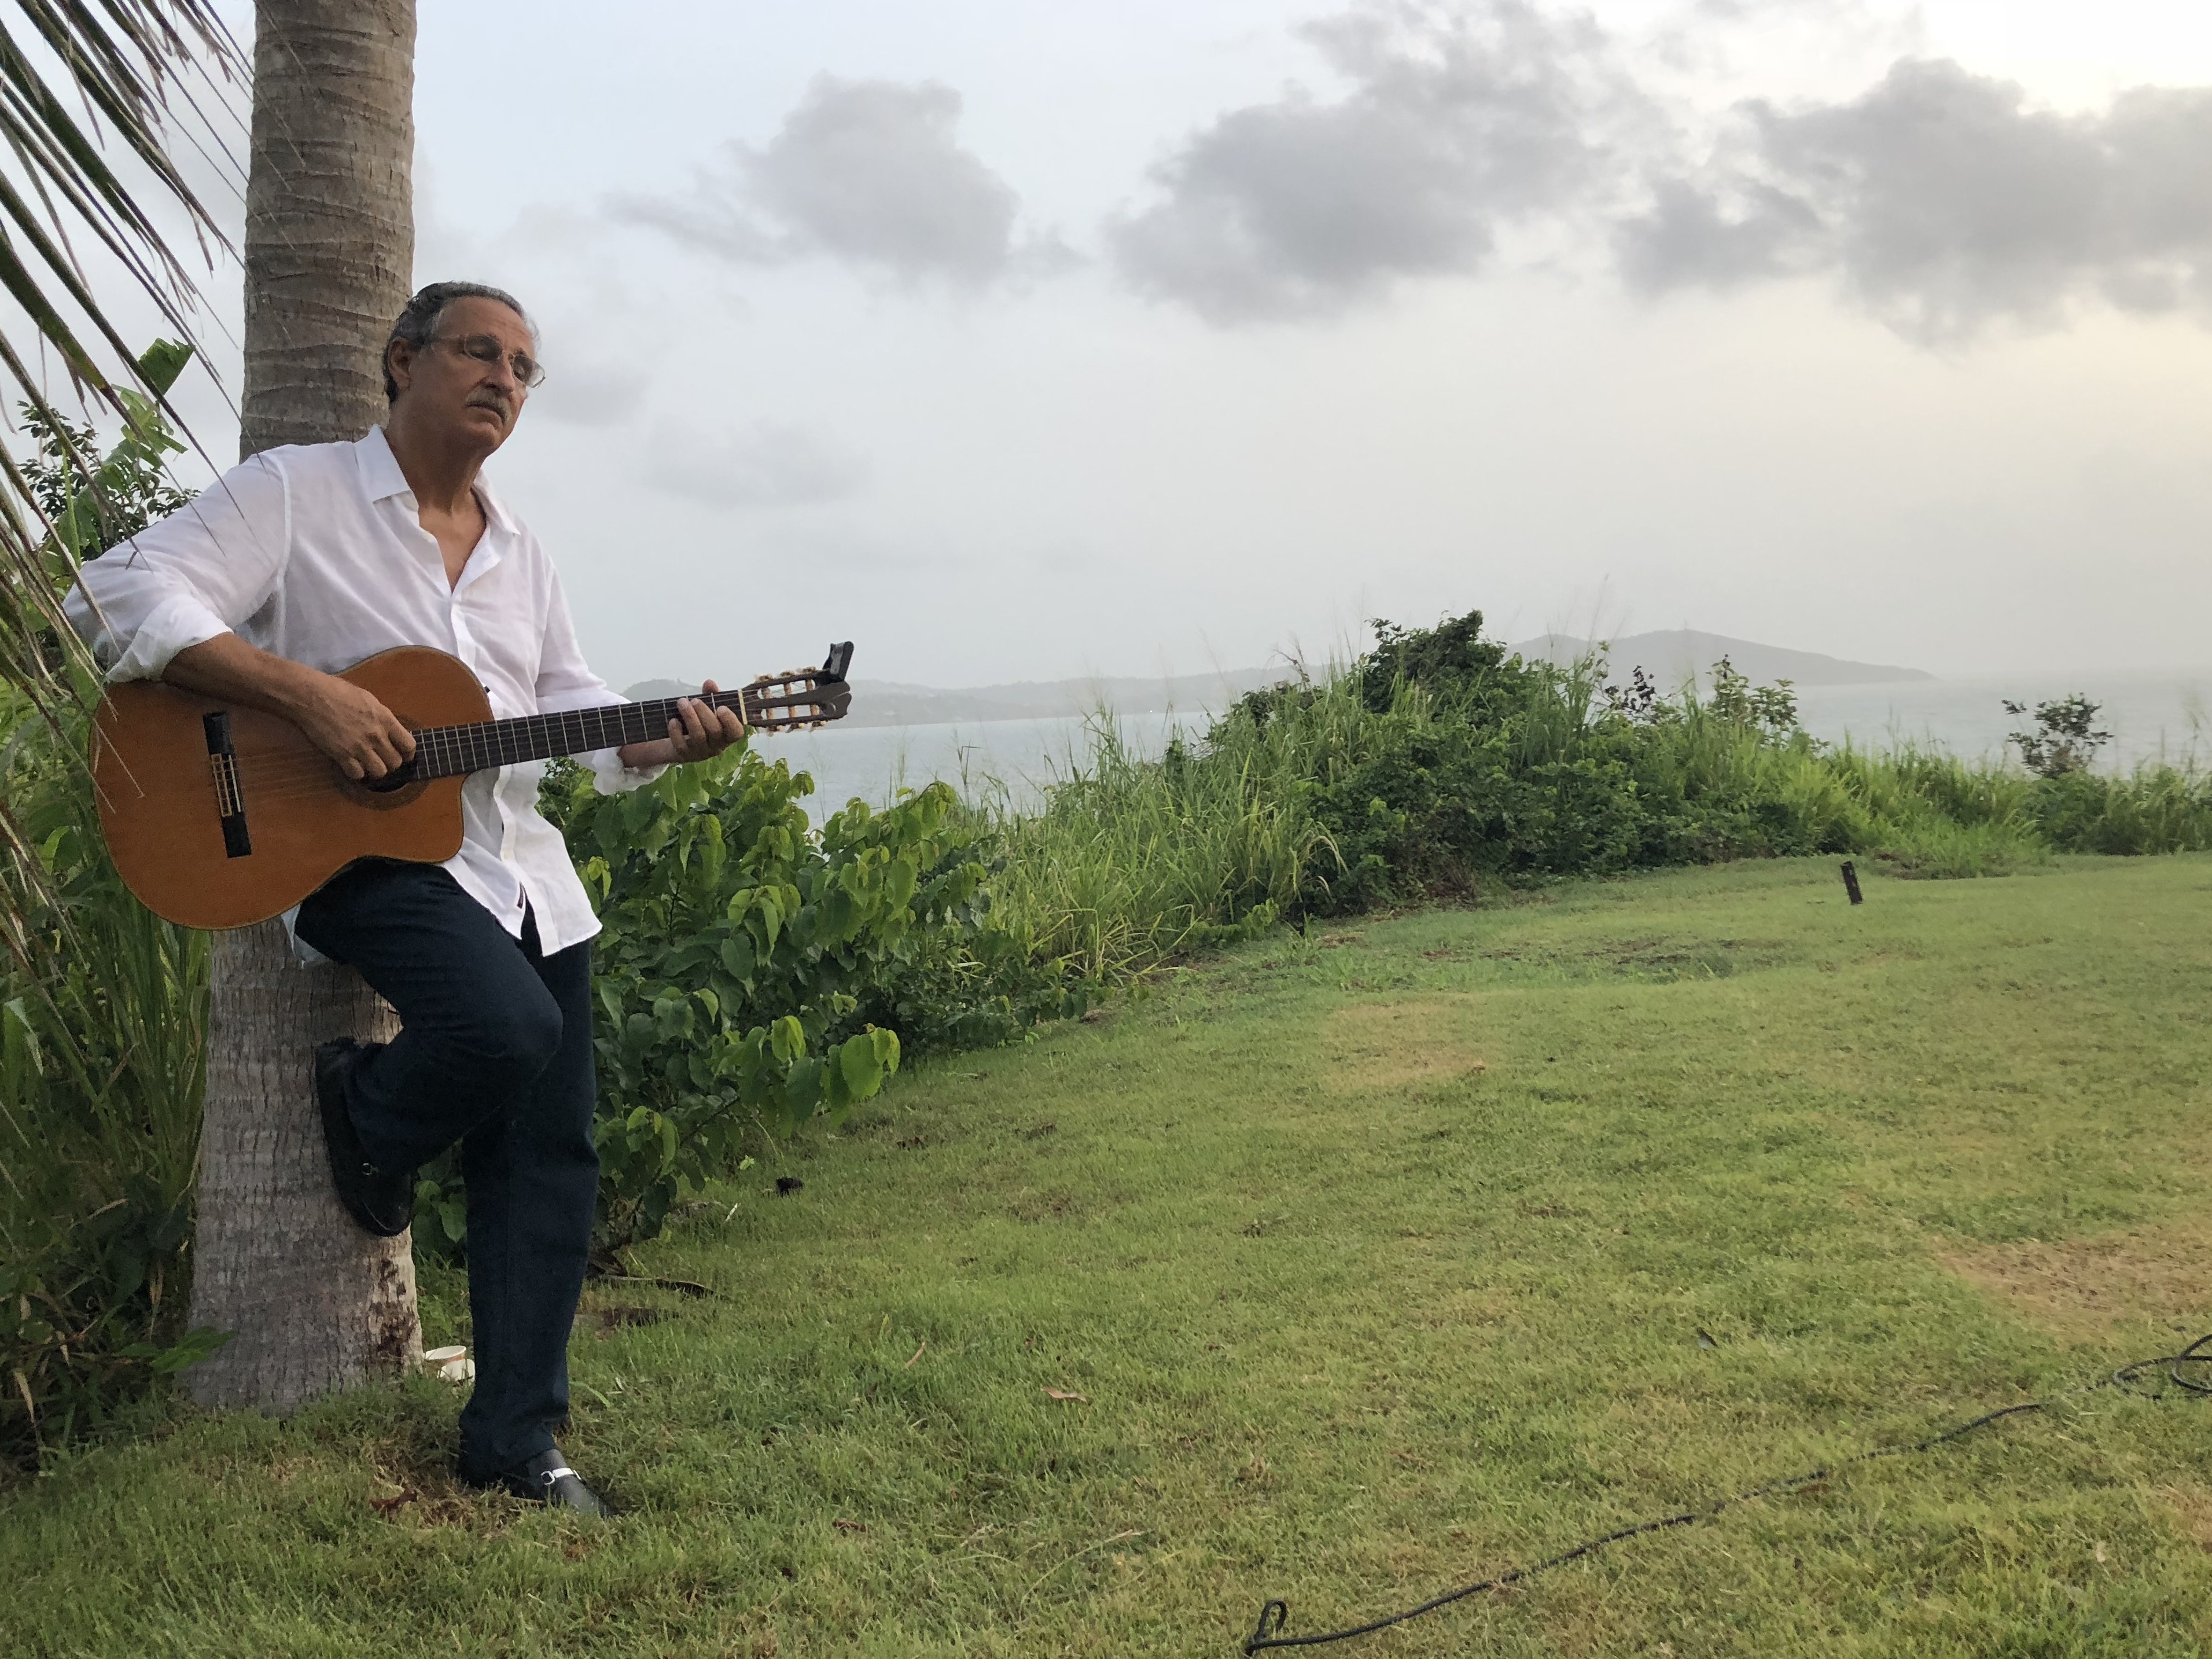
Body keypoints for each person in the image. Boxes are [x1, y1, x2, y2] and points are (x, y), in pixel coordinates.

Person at [65, 281, 741, 1515]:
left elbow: (566, 701)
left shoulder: (522, 548)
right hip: (357, 860)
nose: (504, 379)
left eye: (526, 369)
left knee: (550, 1158)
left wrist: (665, 737)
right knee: (505, 1028)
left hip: (523, 873)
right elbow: (111, 593)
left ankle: (515, 1447)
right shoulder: (295, 493)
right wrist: (304, 695)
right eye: (480, 352)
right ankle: (368, 1114)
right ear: (403, 361)